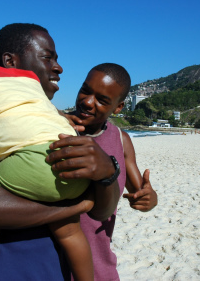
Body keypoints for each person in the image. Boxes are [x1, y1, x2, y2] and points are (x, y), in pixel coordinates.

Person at [0, 24, 120, 280]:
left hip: (52, 271)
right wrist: (70, 207)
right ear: (10, 63)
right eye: (47, 57)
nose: (59, 67)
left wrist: (108, 173)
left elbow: (101, 212)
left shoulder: (54, 120)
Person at [49, 63, 158, 279]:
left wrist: (150, 198)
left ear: (118, 108)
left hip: (98, 262)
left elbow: (139, 194)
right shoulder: (53, 125)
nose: (88, 102)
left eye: (102, 100)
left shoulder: (121, 140)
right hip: (49, 263)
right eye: (85, 90)